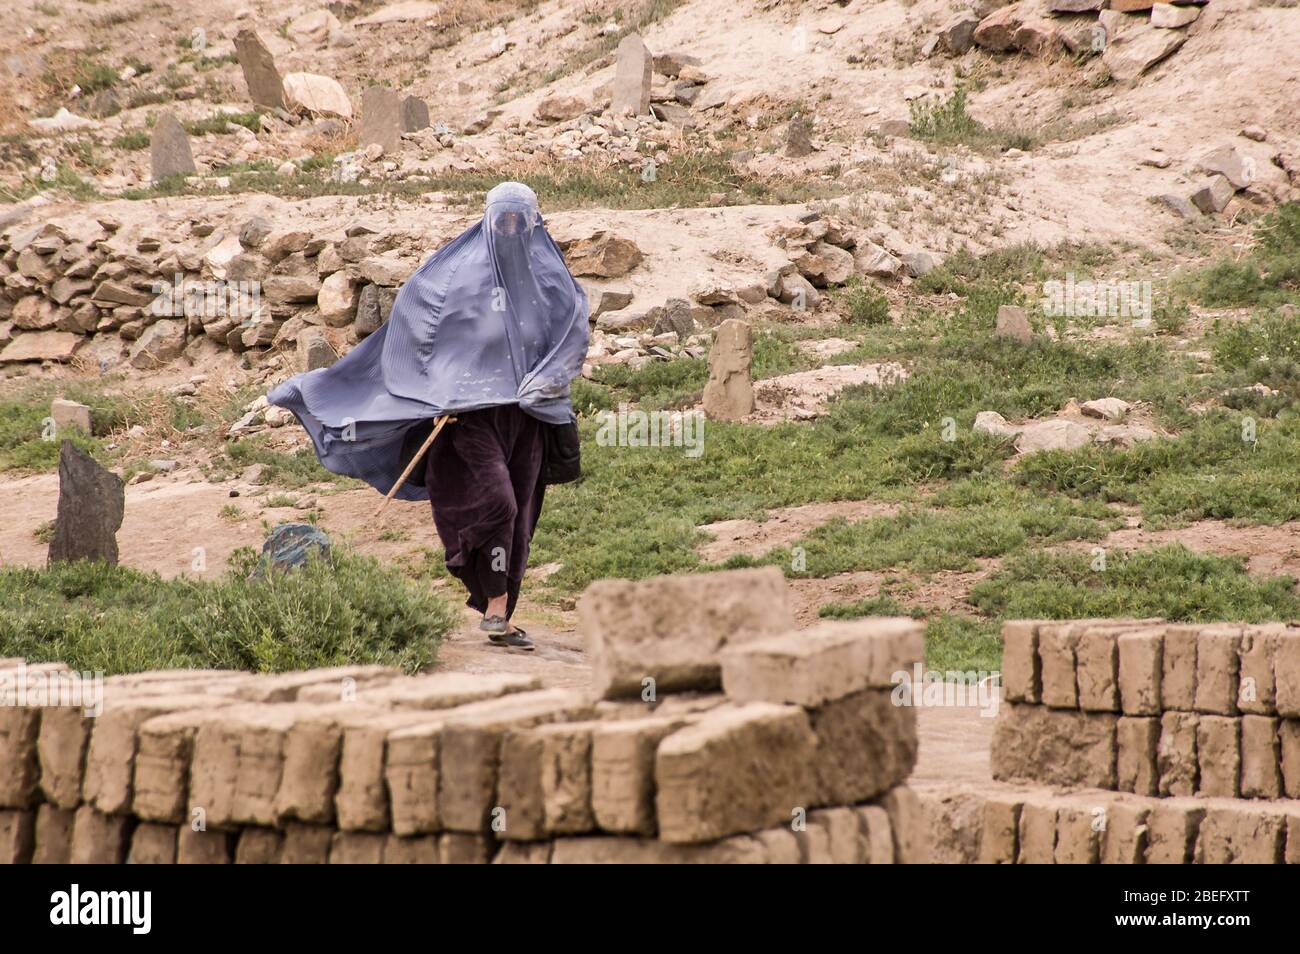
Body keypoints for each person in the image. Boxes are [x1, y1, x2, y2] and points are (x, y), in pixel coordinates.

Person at [269, 182, 588, 651]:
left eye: (520, 221)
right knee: (497, 502)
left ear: (535, 222)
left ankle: (498, 611)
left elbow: (572, 336)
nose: (511, 230)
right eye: (503, 221)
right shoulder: (455, 275)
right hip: (468, 419)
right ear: (488, 221)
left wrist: (547, 380)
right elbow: (418, 322)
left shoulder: (552, 281)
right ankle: (469, 561)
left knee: (519, 517)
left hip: (529, 418)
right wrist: (441, 386)